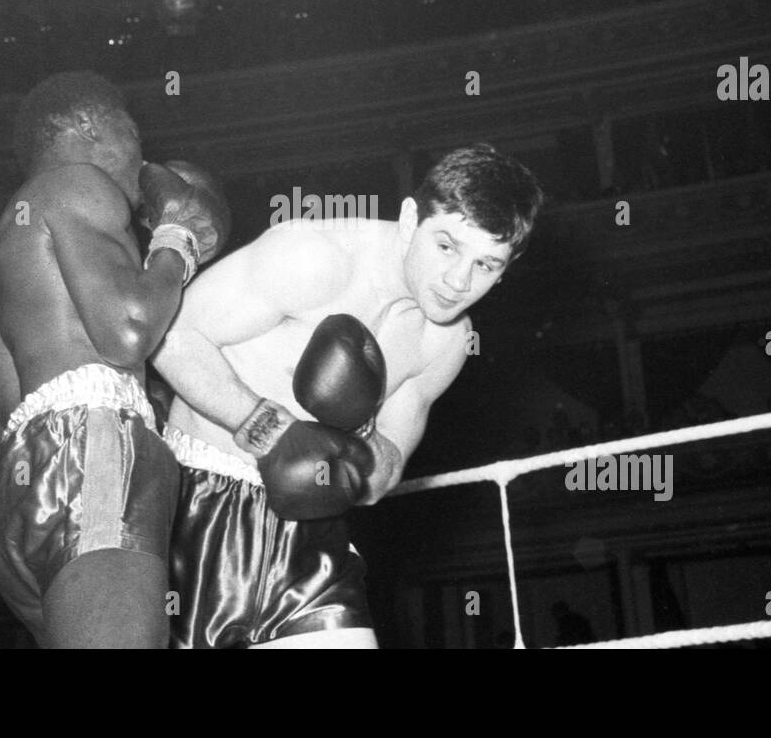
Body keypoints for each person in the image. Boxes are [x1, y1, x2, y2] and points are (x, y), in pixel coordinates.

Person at [151, 142, 543, 648]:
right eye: (447, 246)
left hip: (315, 531)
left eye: (487, 265)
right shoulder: (314, 256)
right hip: (200, 505)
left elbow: (383, 476)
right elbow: (169, 335)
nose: (457, 280)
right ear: (409, 219)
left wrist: (357, 426)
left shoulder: (443, 341)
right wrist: (265, 426)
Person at [0, 71, 230, 648]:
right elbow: (128, 329)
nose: (143, 159)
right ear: (90, 126)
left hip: (16, 492)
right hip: (88, 451)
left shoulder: (15, 242)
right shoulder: (79, 183)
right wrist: (178, 238)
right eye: (135, 134)